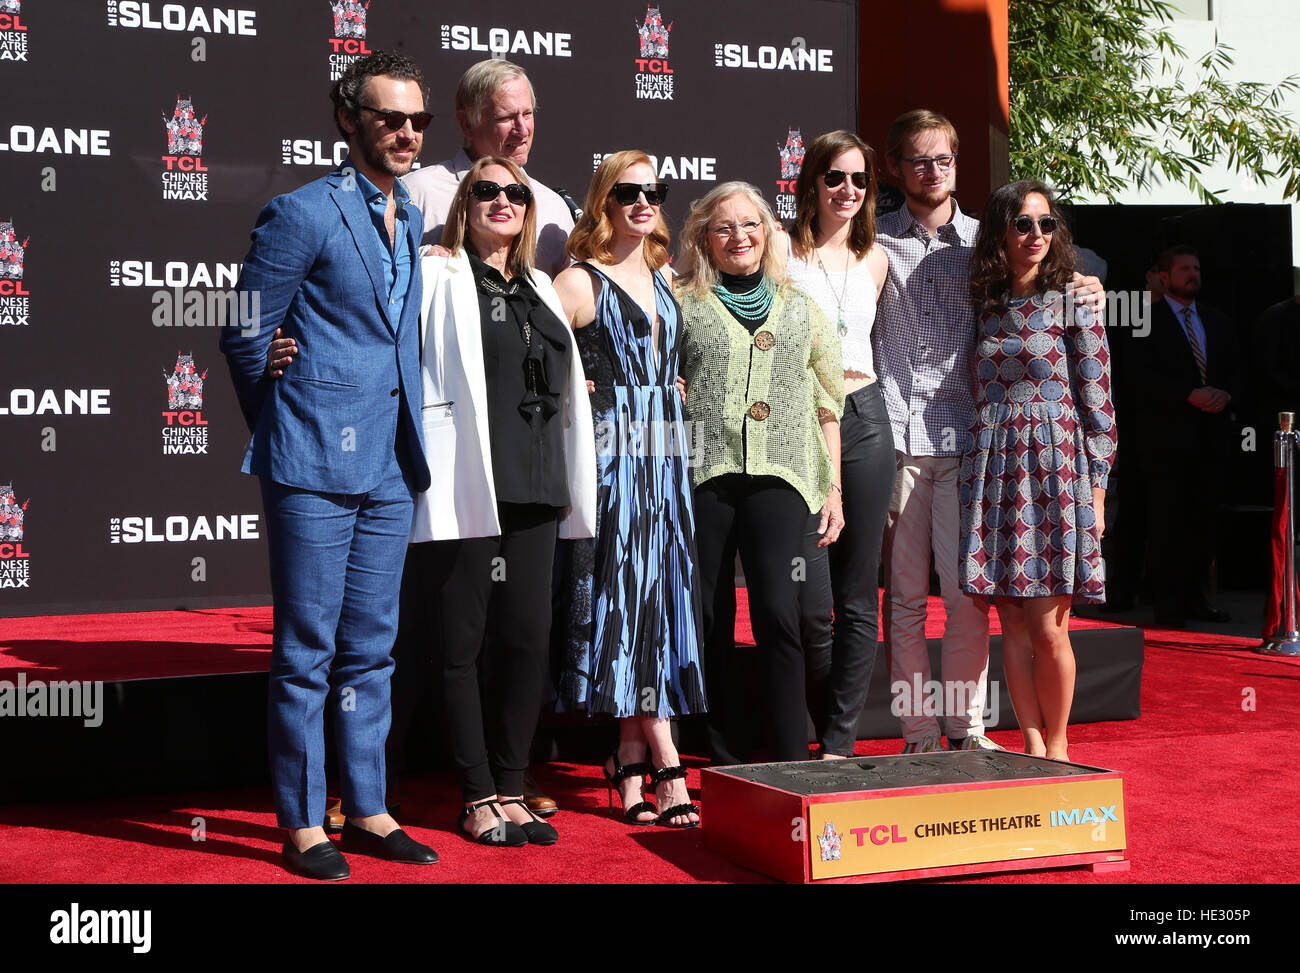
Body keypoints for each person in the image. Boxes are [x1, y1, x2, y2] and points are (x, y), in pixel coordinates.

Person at [219, 51, 438, 880]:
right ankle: (304, 821)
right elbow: (245, 328)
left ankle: (372, 807)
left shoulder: (410, 214)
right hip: (310, 455)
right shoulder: (301, 212)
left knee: (372, 649)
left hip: (390, 460)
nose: (407, 132)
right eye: (390, 118)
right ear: (349, 121)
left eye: (417, 119)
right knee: (307, 648)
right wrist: (284, 413)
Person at [873, 109, 1106, 753]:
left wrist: (1090, 286)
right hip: (898, 435)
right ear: (895, 167)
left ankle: (969, 728)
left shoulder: (987, 238)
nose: (932, 170)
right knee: (907, 604)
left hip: (976, 448)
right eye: (918, 160)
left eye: (943, 159)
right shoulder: (873, 241)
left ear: (957, 164)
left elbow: (1055, 282)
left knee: (971, 600)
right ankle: (919, 732)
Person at [410, 156, 595, 845]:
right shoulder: (437, 273)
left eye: (515, 193)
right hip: (469, 479)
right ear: (464, 203)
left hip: (541, 484)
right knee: (461, 642)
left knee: (525, 640)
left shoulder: (545, 285)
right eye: (485, 190)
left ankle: (513, 785)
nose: (502, 200)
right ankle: (475, 792)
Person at [552, 150, 705, 827]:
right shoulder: (580, 281)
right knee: (627, 600)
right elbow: (526, 353)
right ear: (603, 201)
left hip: (668, 457)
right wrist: (572, 392)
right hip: (615, 458)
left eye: (653, 191)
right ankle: (668, 760)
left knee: (659, 602)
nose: (643, 202)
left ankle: (627, 757)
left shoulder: (668, 274)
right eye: (627, 192)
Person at [675, 182, 845, 765]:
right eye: (723, 227)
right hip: (705, 474)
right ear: (704, 237)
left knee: (779, 613)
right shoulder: (681, 302)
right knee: (708, 615)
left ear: (769, 233)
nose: (738, 237)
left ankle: (792, 755)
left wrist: (835, 490)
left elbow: (828, 400)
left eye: (750, 225)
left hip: (782, 476)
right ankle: (721, 755)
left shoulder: (799, 306)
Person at [959, 180, 1116, 761]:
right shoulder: (983, 300)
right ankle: (1026, 738)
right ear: (1001, 230)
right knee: (1013, 626)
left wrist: (1096, 491)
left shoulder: (1077, 300)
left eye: (1047, 224)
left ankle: (1059, 742)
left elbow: (1099, 402)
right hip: (996, 466)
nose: (1036, 236)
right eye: (1023, 224)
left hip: (1056, 466)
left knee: (1051, 624)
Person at [785, 130, 893, 760]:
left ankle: (840, 740)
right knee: (809, 603)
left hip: (867, 417)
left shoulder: (877, 257)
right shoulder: (779, 249)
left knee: (859, 596)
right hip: (800, 421)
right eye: (835, 178)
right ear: (811, 184)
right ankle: (822, 719)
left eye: (860, 180)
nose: (848, 191)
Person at [1128, 245, 1238, 625]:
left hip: (1212, 440)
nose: (1193, 273)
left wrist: (1225, 393)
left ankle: (1197, 600)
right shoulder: (1144, 318)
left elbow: (1237, 368)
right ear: (1163, 276)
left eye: (1196, 267)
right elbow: (1136, 375)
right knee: (1167, 525)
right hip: (1167, 442)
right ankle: (1168, 606)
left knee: (1205, 524)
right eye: (1185, 268)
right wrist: (1186, 394)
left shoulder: (1217, 319)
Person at [404, 58, 575, 278]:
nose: (522, 130)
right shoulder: (417, 193)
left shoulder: (554, 208)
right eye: (506, 118)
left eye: (528, 114)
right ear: (467, 123)